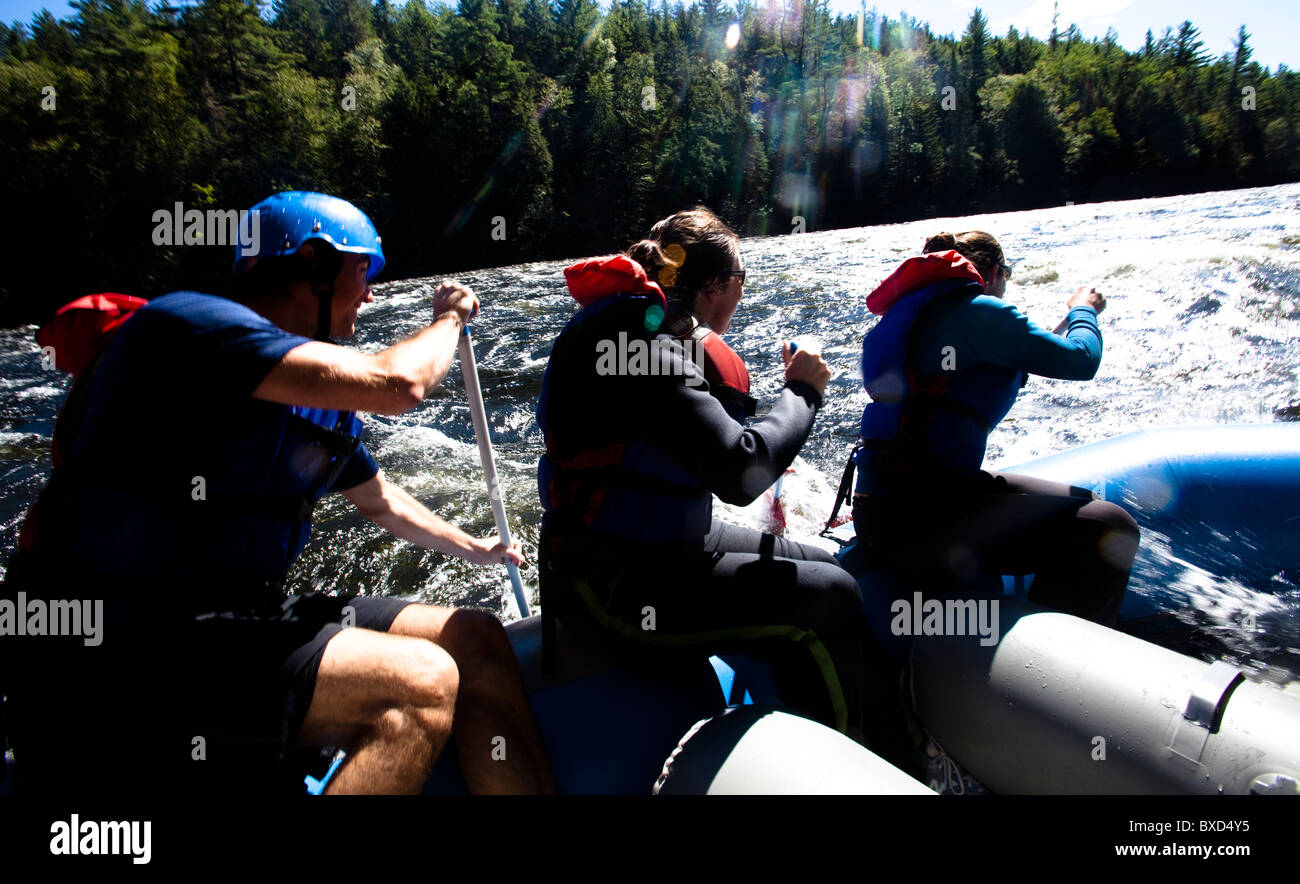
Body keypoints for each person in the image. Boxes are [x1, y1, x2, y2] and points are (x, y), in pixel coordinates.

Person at [4, 190, 554, 794]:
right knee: (418, 687)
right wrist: (449, 318)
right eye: (361, 270)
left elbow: (381, 501)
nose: (370, 293)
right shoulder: (188, 328)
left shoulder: (315, 403)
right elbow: (400, 382)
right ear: (312, 265)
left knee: (474, 638)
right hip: (119, 649)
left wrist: (474, 547)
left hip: (230, 619)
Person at [537, 205, 902, 750]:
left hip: (660, 544)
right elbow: (742, 470)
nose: (741, 292)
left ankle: (819, 731)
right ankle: (891, 761)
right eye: (740, 281)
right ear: (712, 286)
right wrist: (803, 390)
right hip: (610, 587)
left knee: (824, 560)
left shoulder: (644, 331)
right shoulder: (646, 350)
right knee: (830, 594)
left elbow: (703, 445)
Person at [852, 230, 1139, 624]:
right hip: (924, 517)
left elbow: (991, 362)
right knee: (1109, 527)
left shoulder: (909, 318)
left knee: (1087, 503)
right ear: (992, 271)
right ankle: (1053, 658)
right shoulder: (981, 312)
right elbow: (1081, 359)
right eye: (1007, 272)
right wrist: (1083, 310)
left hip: (883, 507)